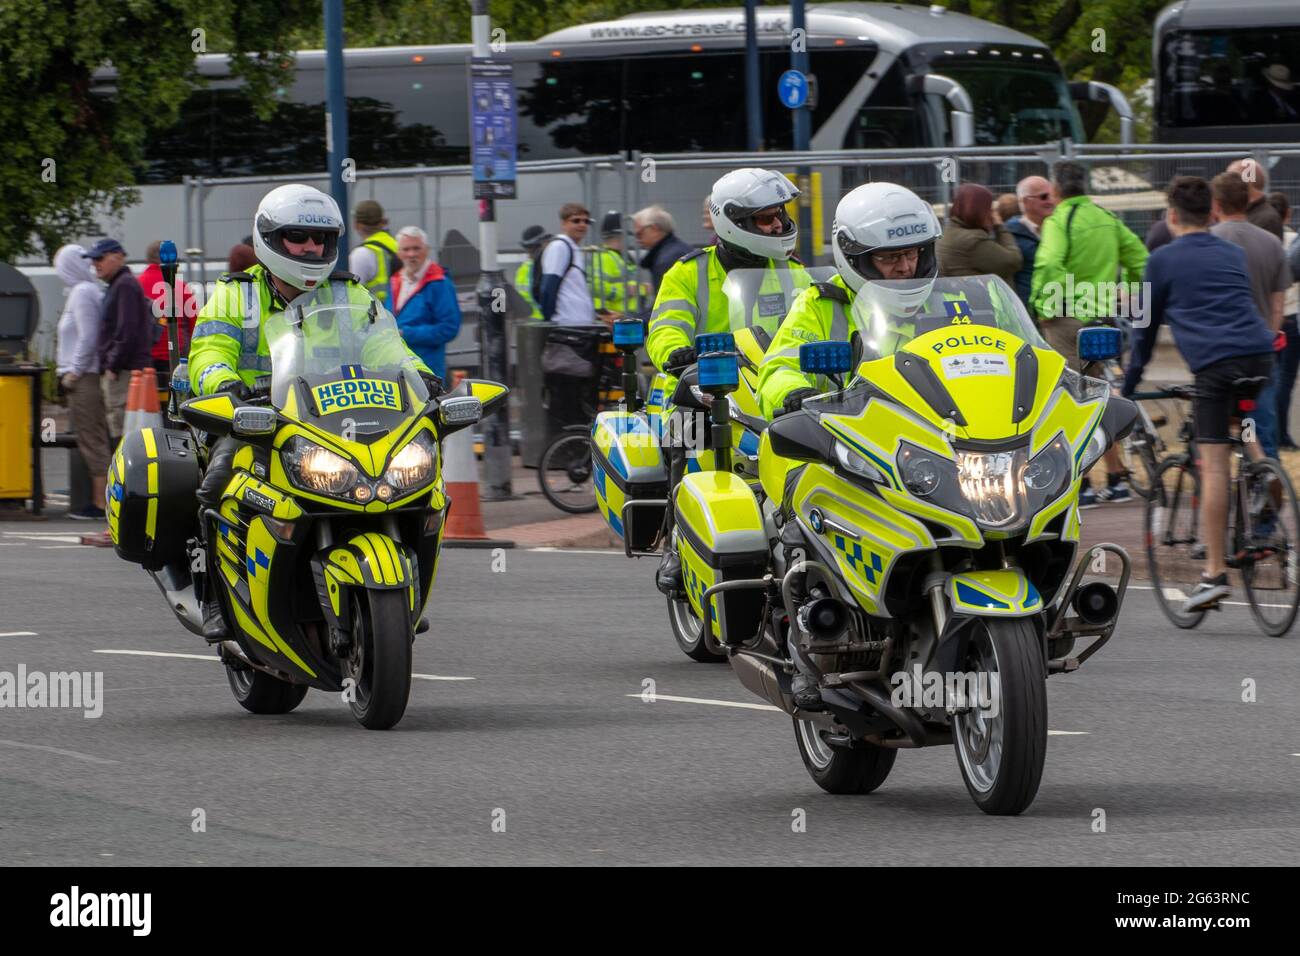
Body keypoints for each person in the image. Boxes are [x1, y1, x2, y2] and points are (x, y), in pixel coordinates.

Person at [189, 184, 434, 640]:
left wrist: (425, 379)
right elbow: (208, 350)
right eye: (298, 237)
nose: (312, 247)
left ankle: (403, 597)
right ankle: (214, 597)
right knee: (214, 487)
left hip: (333, 422)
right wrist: (224, 383)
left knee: (412, 484)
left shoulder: (351, 296)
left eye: (320, 239)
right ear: (270, 239)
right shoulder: (234, 296)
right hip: (252, 421)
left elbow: (390, 347)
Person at [649, 167, 811, 598]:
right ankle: (676, 545)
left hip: (768, 382)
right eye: (765, 219)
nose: (777, 225)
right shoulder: (688, 272)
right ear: (732, 221)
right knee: (685, 435)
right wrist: (677, 352)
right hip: (703, 386)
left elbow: (818, 323)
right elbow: (665, 325)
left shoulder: (791, 270)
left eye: (779, 215)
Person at [1121, 177, 1276, 611]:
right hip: (1258, 355)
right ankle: (1263, 478)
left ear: (1171, 216)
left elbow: (1144, 332)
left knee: (1212, 468)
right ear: (1211, 214)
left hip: (1215, 364)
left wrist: (1129, 385)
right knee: (1241, 424)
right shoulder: (1232, 251)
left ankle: (1213, 574)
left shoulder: (1160, 260)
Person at [1030, 161, 1147, 506]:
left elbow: (1050, 262)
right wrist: (1124, 290)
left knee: (1069, 399)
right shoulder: (1107, 219)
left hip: (1067, 317)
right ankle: (1116, 480)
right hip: (1102, 316)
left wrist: (1043, 303)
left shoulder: (1059, 220)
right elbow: (1141, 259)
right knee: (1100, 395)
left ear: (1056, 189)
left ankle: (1078, 487)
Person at [1210, 171, 1291, 460]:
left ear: (1216, 204)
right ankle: (1267, 484)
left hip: (1220, 351)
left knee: (1212, 431)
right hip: (1261, 348)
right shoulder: (1271, 243)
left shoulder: (1208, 241)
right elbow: (1278, 303)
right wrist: (1269, 336)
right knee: (1261, 425)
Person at [54, 244, 110, 521]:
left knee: (92, 439)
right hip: (81, 376)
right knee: (90, 437)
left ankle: (101, 504)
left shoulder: (83, 293)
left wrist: (74, 371)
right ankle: (99, 500)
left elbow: (89, 336)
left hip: (84, 378)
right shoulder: (81, 291)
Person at [538, 203, 601, 434]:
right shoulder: (560, 247)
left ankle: (575, 442)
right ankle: (566, 444)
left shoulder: (573, 249)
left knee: (579, 393)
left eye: (586, 221)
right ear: (564, 223)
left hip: (579, 330)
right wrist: (550, 320)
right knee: (567, 392)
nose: (582, 225)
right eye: (576, 220)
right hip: (568, 331)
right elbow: (549, 286)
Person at [87, 239, 153, 441]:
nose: (95, 264)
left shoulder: (123, 285)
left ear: (118, 257)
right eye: (93, 259)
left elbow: (126, 330)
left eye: (100, 258)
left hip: (124, 373)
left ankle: (122, 472)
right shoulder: (119, 284)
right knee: (122, 428)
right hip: (125, 370)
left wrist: (112, 366)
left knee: (123, 432)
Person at [391, 225, 462, 382]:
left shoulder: (439, 283)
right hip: (397, 368)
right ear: (399, 253)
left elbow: (449, 327)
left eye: (416, 248)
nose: (411, 254)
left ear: (426, 250)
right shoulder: (395, 280)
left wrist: (406, 334)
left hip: (427, 369)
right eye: (406, 249)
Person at [935, 183, 1022, 284]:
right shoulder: (973, 241)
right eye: (989, 208)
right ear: (981, 210)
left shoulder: (947, 232)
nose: (991, 213)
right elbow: (1012, 262)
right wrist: (999, 226)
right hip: (975, 298)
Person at [139, 239, 197, 379]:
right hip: (177, 355)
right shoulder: (180, 286)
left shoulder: (137, 285)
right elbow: (194, 323)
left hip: (147, 358)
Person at [1269, 191, 1299, 450]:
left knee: (1269, 379)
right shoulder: (1293, 240)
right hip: (1289, 318)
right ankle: (1281, 435)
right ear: (1287, 214)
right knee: (1285, 380)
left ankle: (1267, 432)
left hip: (1265, 318)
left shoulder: (1261, 239)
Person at [1005, 175, 1056, 313]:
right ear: (1026, 201)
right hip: (1027, 313)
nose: (1051, 201)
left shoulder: (1060, 230)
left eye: (1053, 195)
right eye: (1044, 196)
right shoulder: (1010, 235)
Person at [633, 205, 694, 299]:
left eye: (639, 234)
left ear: (654, 229)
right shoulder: (679, 250)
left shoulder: (666, 261)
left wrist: (626, 314)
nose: (637, 240)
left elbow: (665, 306)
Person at [348, 199, 401, 304]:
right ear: (383, 222)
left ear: (356, 225)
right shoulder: (396, 244)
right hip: (399, 313)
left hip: (378, 317)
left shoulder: (360, 254)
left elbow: (353, 296)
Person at [588, 211, 639, 315]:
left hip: (626, 316)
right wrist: (627, 291)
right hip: (611, 317)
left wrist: (641, 289)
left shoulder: (623, 258)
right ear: (619, 236)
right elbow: (597, 287)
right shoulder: (604, 257)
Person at [1225, 159, 1284, 241]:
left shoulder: (1267, 220)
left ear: (1245, 184)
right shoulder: (1247, 213)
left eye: (1230, 180)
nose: (1226, 186)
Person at [514, 225, 549, 320]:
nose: (529, 251)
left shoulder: (524, 268)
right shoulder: (525, 268)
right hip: (539, 322)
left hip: (534, 322)